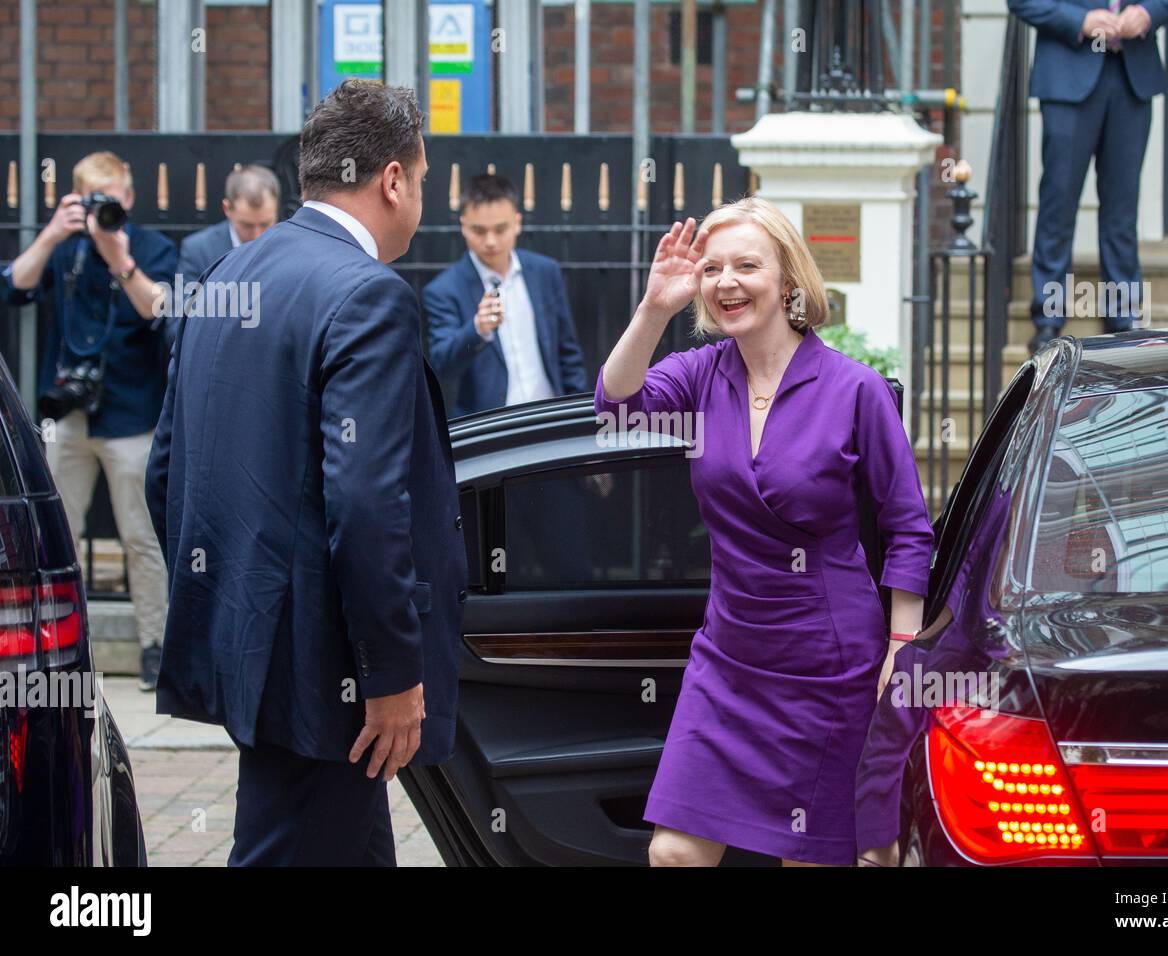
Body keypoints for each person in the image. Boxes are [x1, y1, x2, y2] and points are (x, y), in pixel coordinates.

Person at [145, 80, 468, 866]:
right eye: (421, 180)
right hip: (329, 675)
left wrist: (233, 600)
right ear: (393, 178)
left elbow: (170, 470)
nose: (420, 197)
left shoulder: (228, 275)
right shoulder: (368, 296)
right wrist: (389, 673)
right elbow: (365, 502)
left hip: (252, 647)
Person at [594, 198, 934, 866]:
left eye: (747, 265)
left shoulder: (854, 390)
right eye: (713, 268)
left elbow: (908, 528)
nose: (727, 282)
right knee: (675, 854)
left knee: (808, 858)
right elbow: (616, 410)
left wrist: (902, 644)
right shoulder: (701, 376)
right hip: (729, 656)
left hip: (830, 662)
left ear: (788, 282)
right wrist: (654, 308)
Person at [1, 151, 175, 691]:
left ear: (128, 197)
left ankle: (154, 646)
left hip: (130, 414)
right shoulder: (65, 247)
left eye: (112, 198)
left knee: (140, 538)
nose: (104, 209)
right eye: (90, 200)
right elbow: (14, 288)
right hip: (70, 418)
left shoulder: (149, 247)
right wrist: (54, 234)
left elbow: (158, 308)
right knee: (57, 534)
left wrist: (119, 258)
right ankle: (60, 645)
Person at [1010, 0, 1168, 354]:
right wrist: (1082, 19)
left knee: (1123, 207)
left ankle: (1121, 314)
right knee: (1059, 200)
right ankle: (1049, 315)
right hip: (1067, 76)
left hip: (1131, 78)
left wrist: (1149, 13)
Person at [424, 173, 586, 417]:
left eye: (500, 229)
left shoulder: (545, 272)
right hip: (491, 429)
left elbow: (567, 352)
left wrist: (579, 415)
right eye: (479, 230)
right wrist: (477, 329)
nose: (490, 241)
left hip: (550, 416)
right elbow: (442, 364)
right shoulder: (443, 290)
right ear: (464, 226)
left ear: (517, 223)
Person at [177, 164, 280, 287]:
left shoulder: (291, 247)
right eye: (247, 225)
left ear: (277, 209)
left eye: (265, 224)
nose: (257, 235)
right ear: (227, 209)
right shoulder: (198, 251)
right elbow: (186, 304)